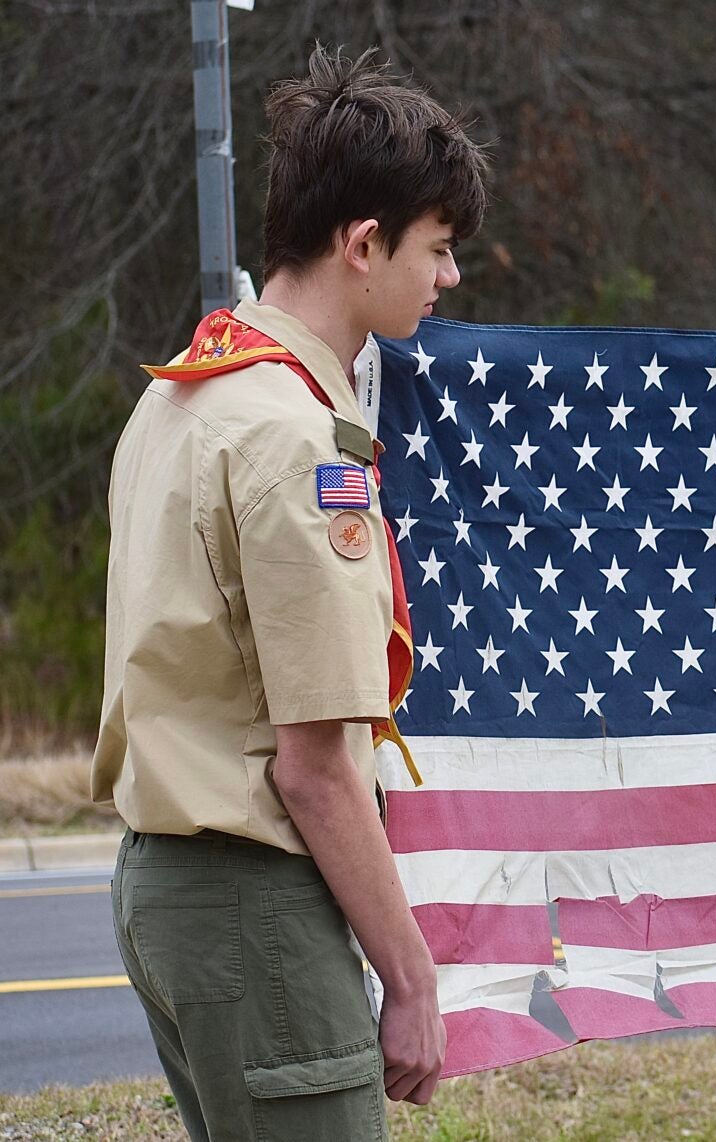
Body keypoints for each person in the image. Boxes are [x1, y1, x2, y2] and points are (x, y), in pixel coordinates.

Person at [92, 46, 487, 1139]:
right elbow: (315, 767)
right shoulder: (291, 444)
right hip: (253, 896)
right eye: (438, 248)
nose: (447, 279)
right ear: (363, 244)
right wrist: (408, 974)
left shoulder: (180, 399)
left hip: (167, 885)